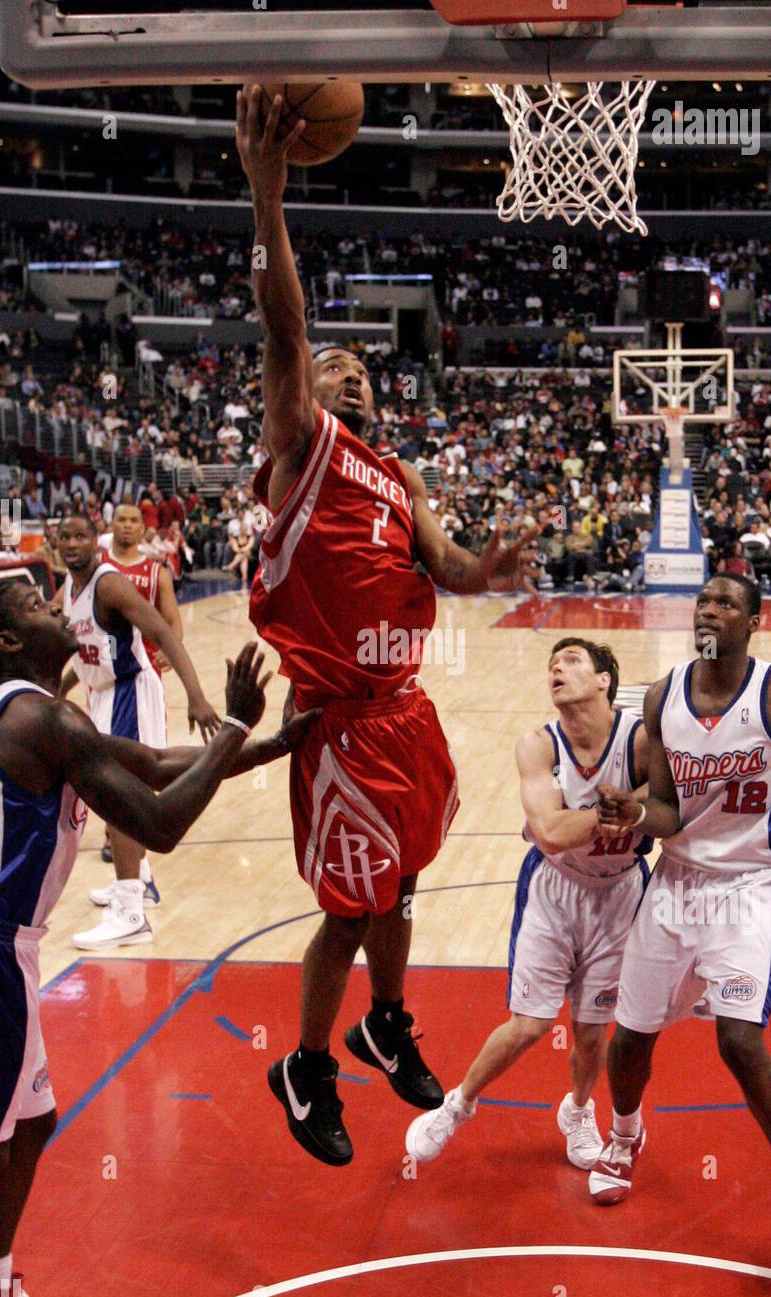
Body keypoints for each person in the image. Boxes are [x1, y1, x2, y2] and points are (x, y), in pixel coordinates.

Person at [237, 85, 539, 1166]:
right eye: (334, 367)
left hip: (405, 711)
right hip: (339, 721)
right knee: (348, 911)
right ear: (302, 391)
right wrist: (268, 197)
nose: (350, 371)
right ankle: (307, 1062)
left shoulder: (394, 469)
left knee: (402, 887)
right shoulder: (296, 445)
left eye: (362, 369)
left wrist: (482, 568)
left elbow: (443, 562)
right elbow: (283, 322)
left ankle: (384, 1021)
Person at [0, 579, 315, 1297]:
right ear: (8, 642)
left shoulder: (36, 716)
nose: (57, 609)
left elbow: (155, 766)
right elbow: (158, 824)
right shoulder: (44, 721)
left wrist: (272, 745)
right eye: (37, 609)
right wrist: (231, 723)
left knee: (32, 1126)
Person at [592, 574, 771, 1271]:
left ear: (754, 619)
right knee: (628, 1039)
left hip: (754, 884)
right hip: (678, 880)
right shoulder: (662, 697)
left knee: (739, 1043)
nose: (707, 610)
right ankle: (625, 1135)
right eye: (701, 602)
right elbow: (666, 809)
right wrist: (634, 814)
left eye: (722, 602)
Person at [405, 638, 650, 1169]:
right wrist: (622, 811)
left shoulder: (640, 739)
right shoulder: (537, 745)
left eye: (572, 661)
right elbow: (551, 833)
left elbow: (673, 800)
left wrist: (637, 807)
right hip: (555, 890)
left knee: (591, 1030)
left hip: (621, 892)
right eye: (552, 664)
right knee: (530, 1024)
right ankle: (457, 1104)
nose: (557, 669)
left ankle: (578, 1111)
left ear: (604, 680)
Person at [58, 515, 221, 949]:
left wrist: (196, 695)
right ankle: (140, 880)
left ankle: (130, 912)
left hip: (130, 690)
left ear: (97, 543)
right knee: (112, 794)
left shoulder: (109, 584)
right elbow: (86, 655)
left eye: (80, 536)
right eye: (65, 536)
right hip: (103, 694)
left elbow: (161, 631)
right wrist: (56, 691)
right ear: (56, 544)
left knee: (118, 795)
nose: (72, 543)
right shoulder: (67, 590)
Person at [81, 502, 187, 911]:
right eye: (121, 520)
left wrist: (171, 655)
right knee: (112, 777)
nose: (126, 526)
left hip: (138, 680)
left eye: (133, 521)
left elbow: (171, 621)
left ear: (144, 529)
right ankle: (133, 877)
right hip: (103, 682)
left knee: (131, 778)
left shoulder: (155, 571)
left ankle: (140, 882)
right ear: (111, 526)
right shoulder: (97, 568)